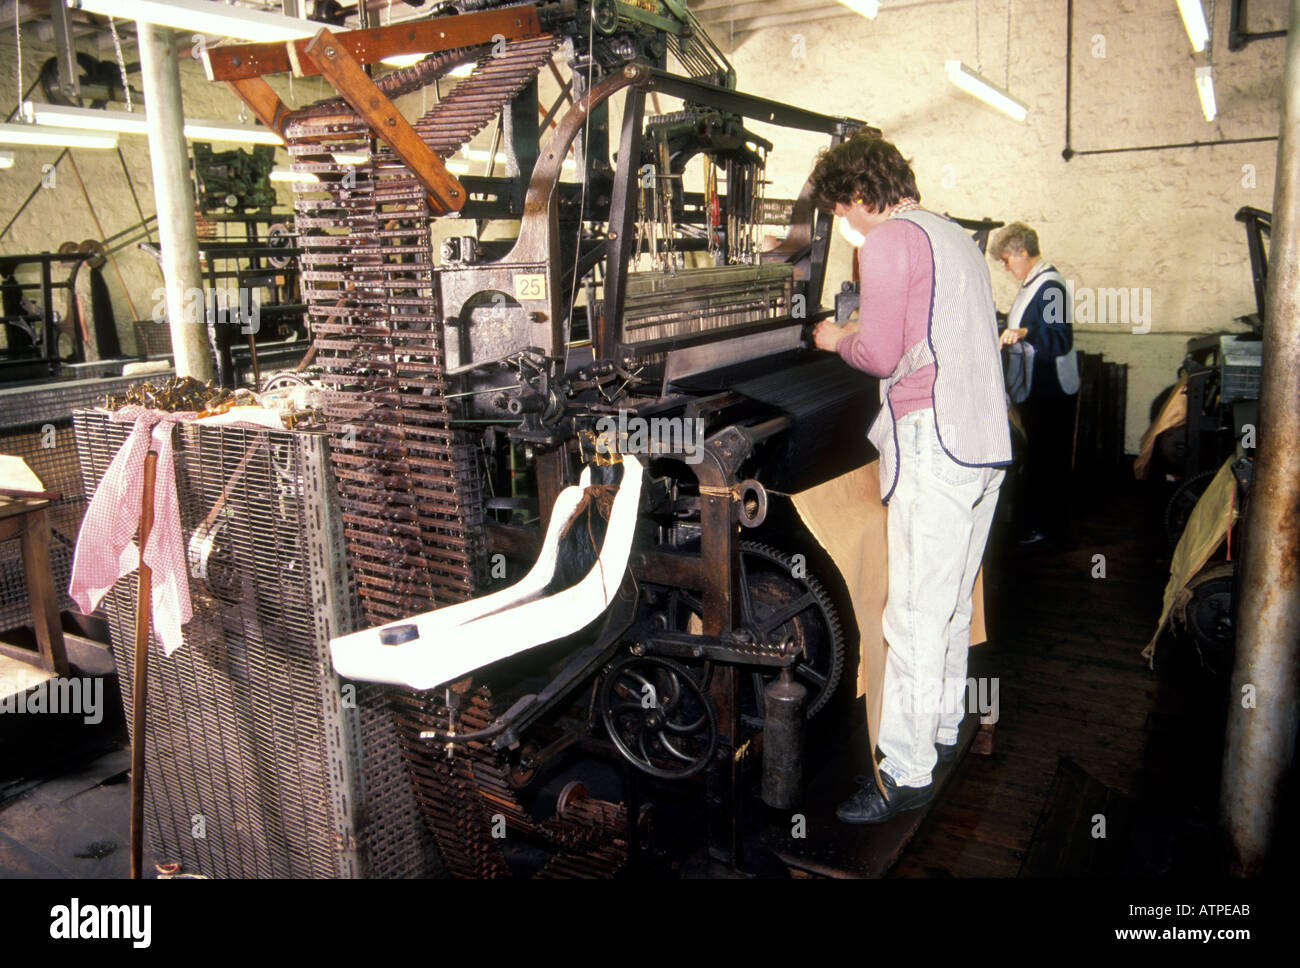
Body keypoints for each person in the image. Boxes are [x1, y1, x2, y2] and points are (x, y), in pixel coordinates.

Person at [809, 134, 1010, 824]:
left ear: (862, 195)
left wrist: (834, 338)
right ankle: (944, 728)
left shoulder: (889, 238)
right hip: (984, 442)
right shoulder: (952, 235)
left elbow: (881, 352)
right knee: (950, 601)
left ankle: (904, 772)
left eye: (843, 210)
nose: (847, 225)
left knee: (914, 616)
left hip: (937, 443)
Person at [990, 222, 1079, 546]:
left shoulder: (1051, 286)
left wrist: (1024, 333)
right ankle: (1036, 525)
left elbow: (1060, 339)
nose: (1005, 266)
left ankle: (1048, 531)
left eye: (1007, 259)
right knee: (1039, 459)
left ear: (1022, 252)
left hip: (1052, 389)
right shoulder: (1032, 283)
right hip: (1036, 387)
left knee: (1048, 462)